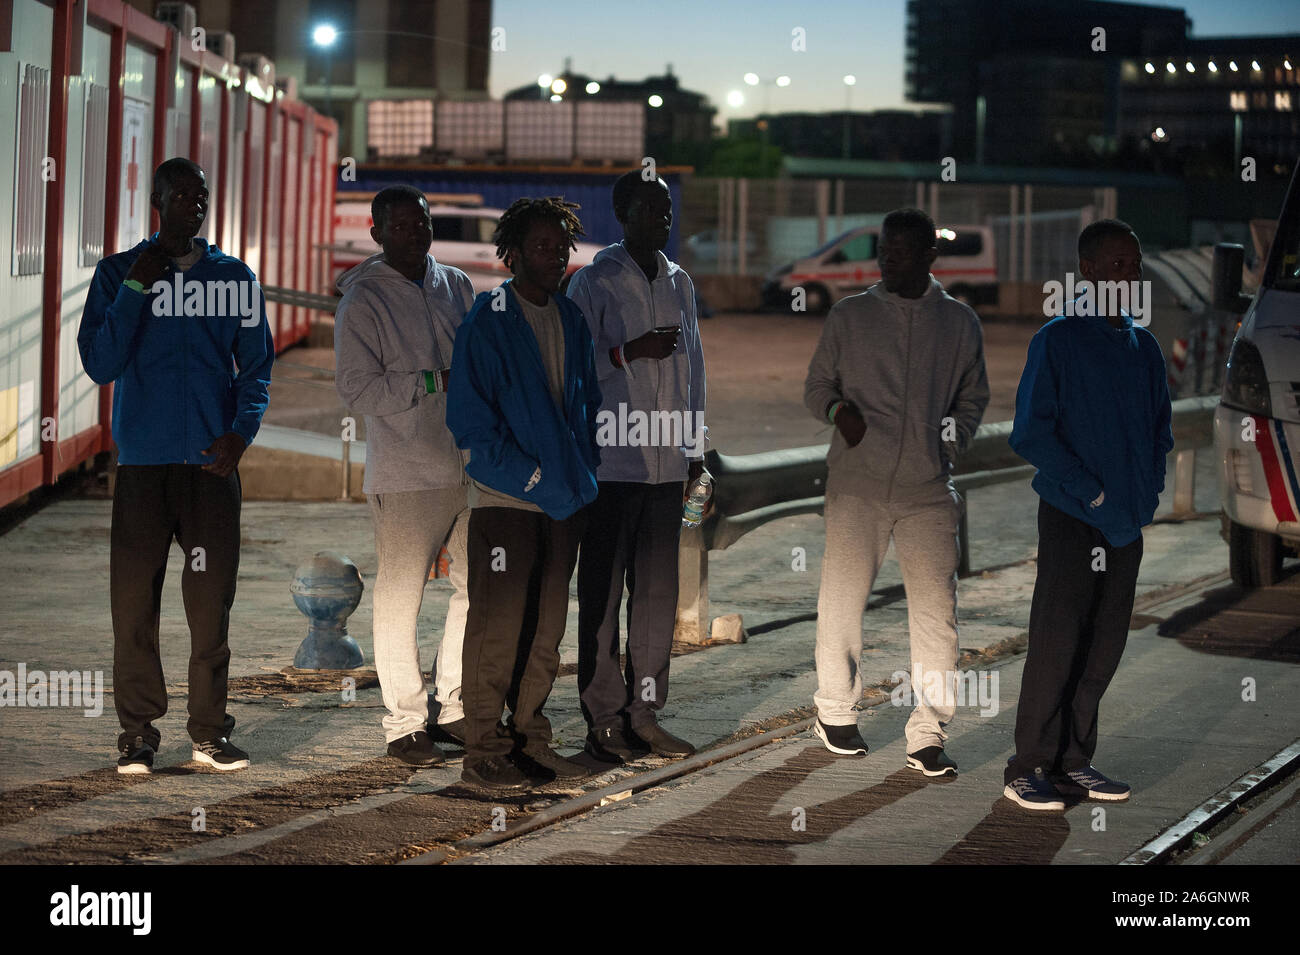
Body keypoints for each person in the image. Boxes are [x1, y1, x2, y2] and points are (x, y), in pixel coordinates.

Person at [78, 157, 273, 774]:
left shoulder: (234, 278)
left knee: (210, 604)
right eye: (183, 196)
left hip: (211, 472)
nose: (195, 205)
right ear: (158, 201)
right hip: (142, 468)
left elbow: (257, 370)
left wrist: (240, 435)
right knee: (133, 606)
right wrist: (137, 286)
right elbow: (101, 364)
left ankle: (210, 732)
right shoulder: (118, 274)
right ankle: (138, 735)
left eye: (202, 197)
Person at [804, 207, 989, 776]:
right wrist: (839, 412)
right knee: (841, 600)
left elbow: (972, 399)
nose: (888, 259)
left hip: (928, 490)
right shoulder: (849, 316)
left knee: (937, 613)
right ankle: (835, 710)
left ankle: (928, 729)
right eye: (884, 249)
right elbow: (816, 388)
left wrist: (945, 448)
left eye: (902, 251)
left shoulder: (958, 322)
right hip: (856, 486)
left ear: (930, 254)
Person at [1003, 219, 1172, 810]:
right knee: (1057, 641)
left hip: (1127, 524)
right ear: (1091, 271)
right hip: (1074, 517)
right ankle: (1028, 765)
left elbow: (1160, 432)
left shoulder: (1143, 347)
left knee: (1104, 646)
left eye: (1137, 262)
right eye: (1121, 264)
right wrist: (1093, 494)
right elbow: (1031, 434)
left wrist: (1146, 493)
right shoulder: (1058, 339)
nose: (1133, 273)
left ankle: (1075, 761)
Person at [446, 196, 603, 791]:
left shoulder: (571, 319)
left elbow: (587, 409)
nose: (556, 256)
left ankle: (532, 740)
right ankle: (483, 749)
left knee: (545, 631)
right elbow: (470, 423)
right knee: (496, 629)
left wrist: (580, 476)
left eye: (562, 246)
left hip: (565, 503)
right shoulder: (487, 321)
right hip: (506, 504)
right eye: (542, 246)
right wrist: (532, 478)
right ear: (511, 254)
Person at [568, 171, 708, 763]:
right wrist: (631, 350)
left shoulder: (681, 283)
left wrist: (696, 453)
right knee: (601, 599)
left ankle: (644, 714)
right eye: (650, 209)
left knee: (655, 599)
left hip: (666, 465)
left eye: (667, 209)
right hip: (612, 463)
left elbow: (695, 372)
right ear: (622, 214)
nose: (663, 219)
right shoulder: (594, 282)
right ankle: (603, 720)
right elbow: (575, 365)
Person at [334, 185, 476, 766]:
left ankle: (458, 708)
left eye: (422, 223)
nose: (417, 233)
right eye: (401, 226)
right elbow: (356, 388)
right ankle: (404, 725)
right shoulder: (362, 301)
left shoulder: (457, 285)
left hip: (469, 466)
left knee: (477, 589)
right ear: (377, 234)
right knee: (400, 599)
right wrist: (429, 382)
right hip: (405, 473)